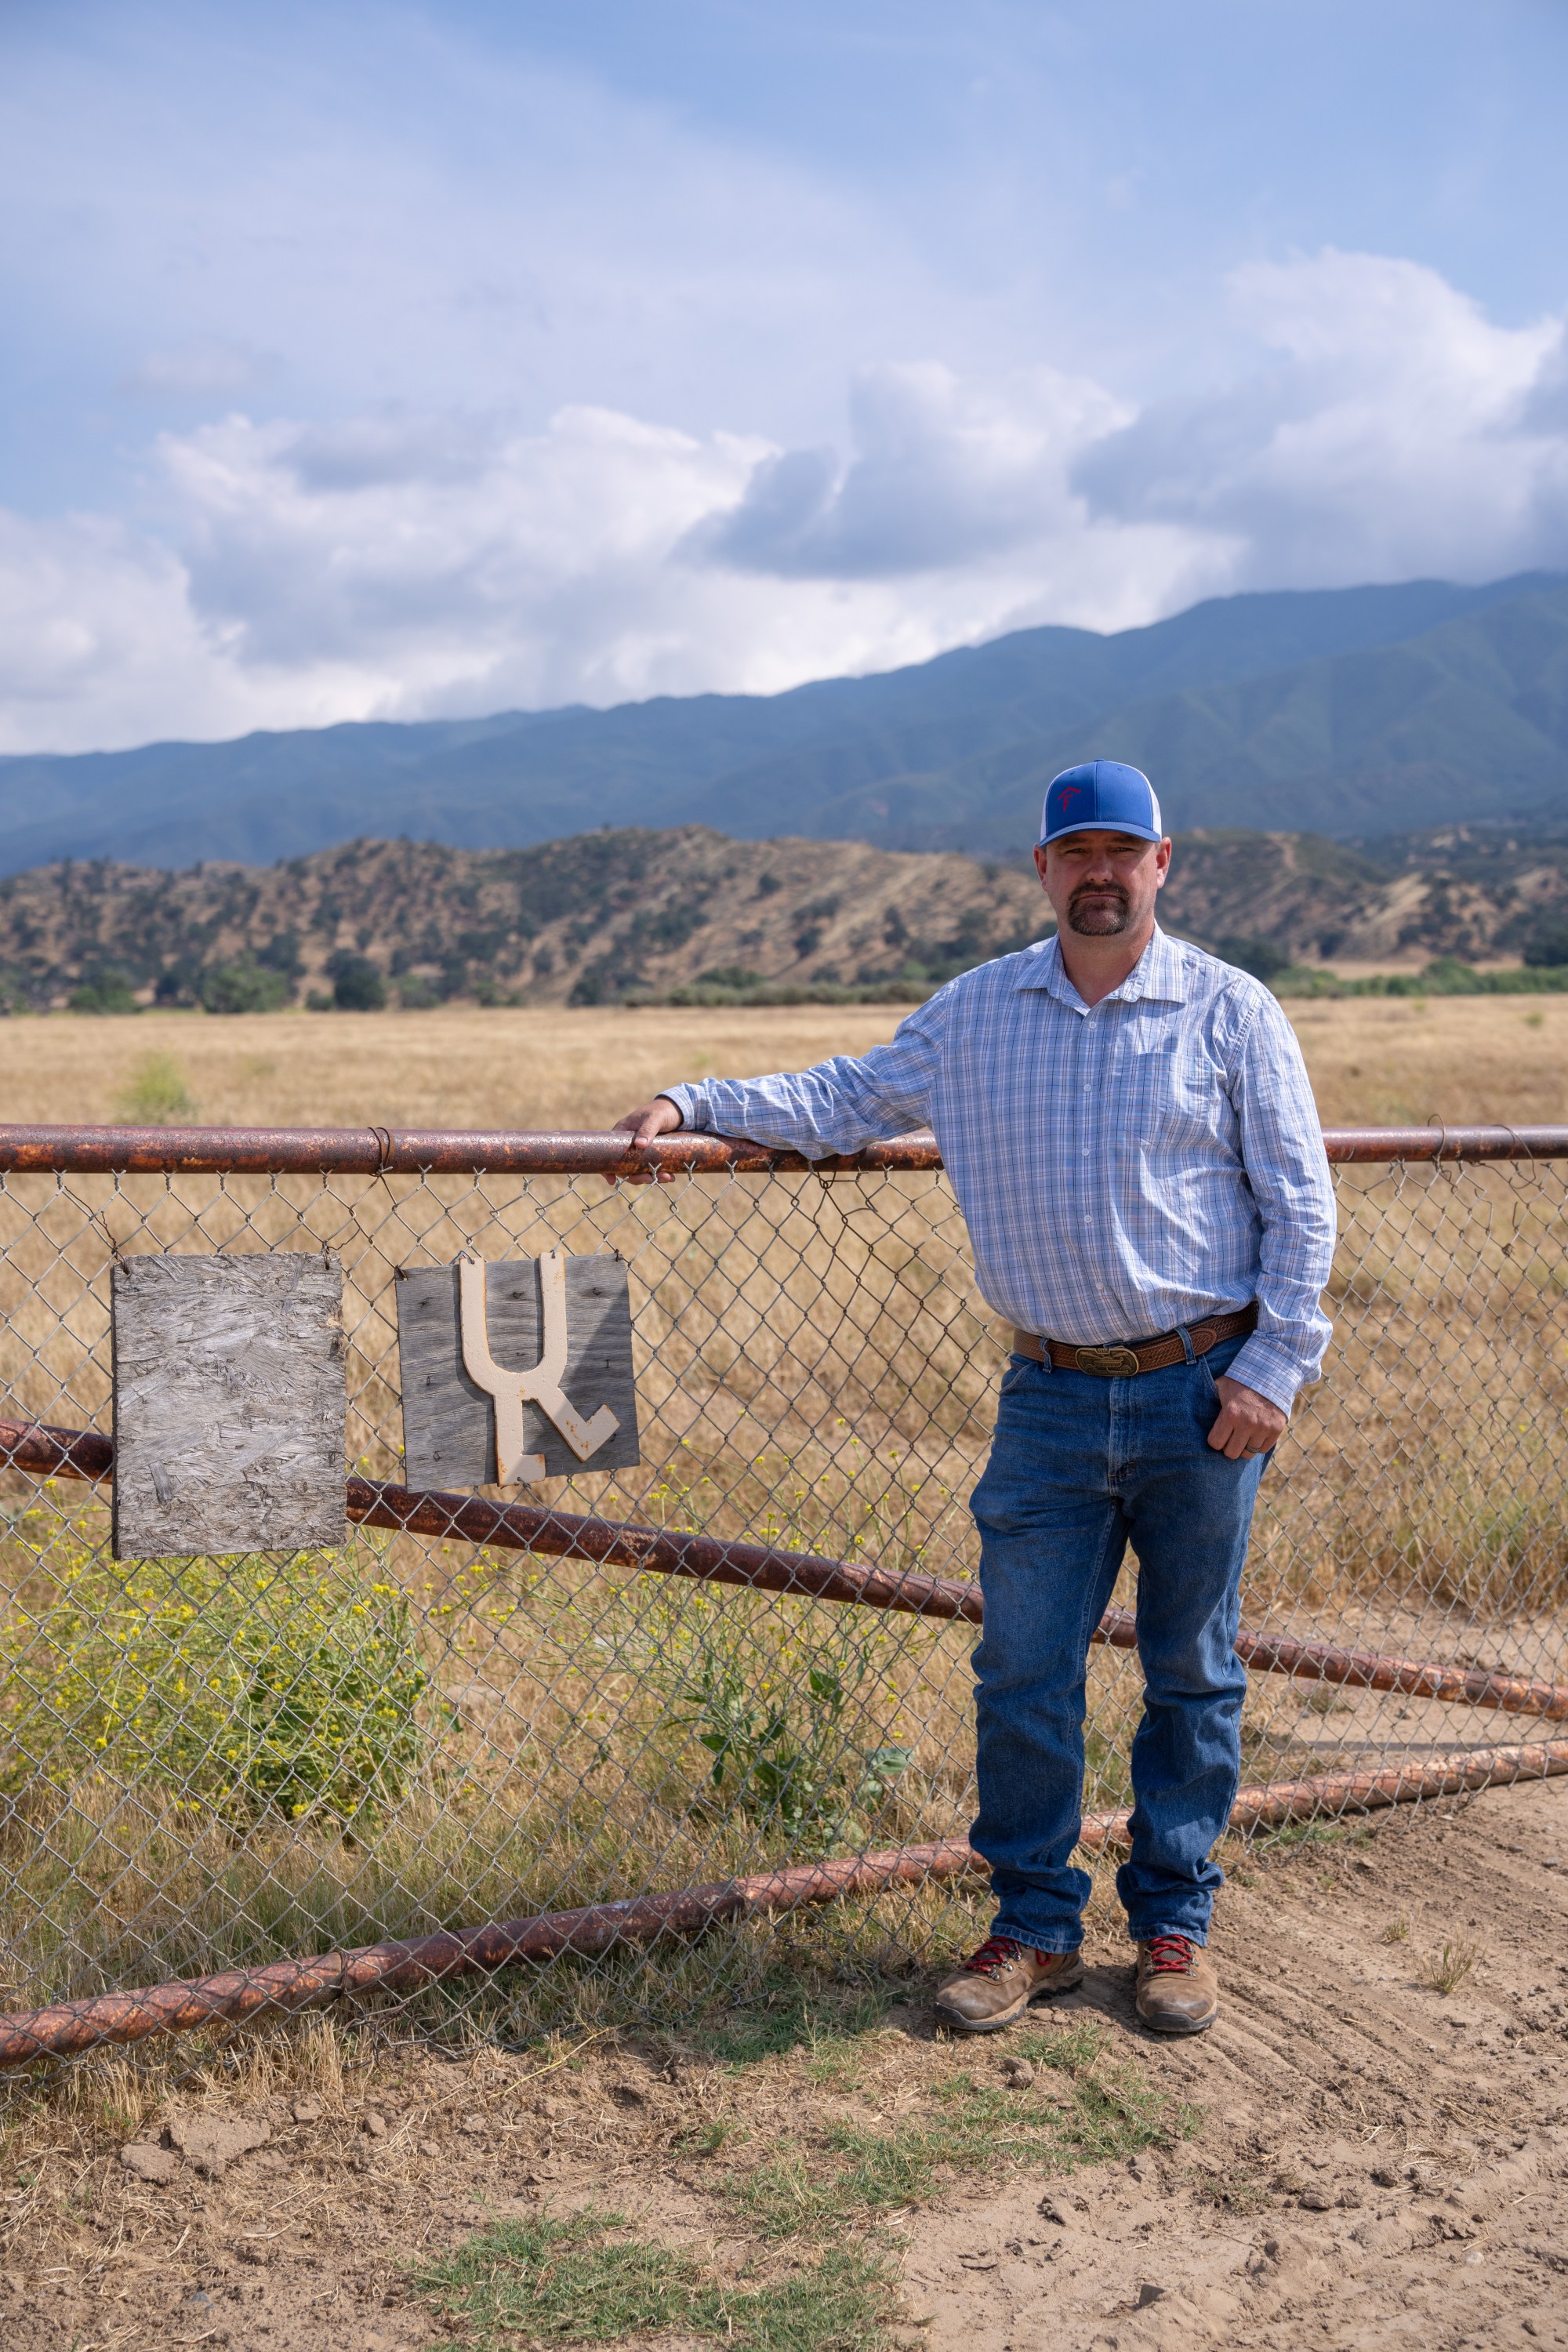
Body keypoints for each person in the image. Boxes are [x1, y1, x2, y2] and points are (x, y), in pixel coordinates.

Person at [612, 760, 1337, 2037]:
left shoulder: (1231, 1012)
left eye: (1126, 853)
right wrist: (697, 1102)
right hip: (1048, 1396)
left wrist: (1272, 1373)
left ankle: (1173, 1927)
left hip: (1199, 1396)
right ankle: (1035, 1927)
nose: (1101, 874)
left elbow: (1301, 1206)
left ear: (1164, 864)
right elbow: (844, 1099)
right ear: (1043, 869)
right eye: (1078, 854)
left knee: (1193, 1670)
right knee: (1023, 1669)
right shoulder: (978, 1011)